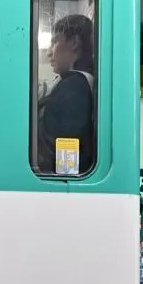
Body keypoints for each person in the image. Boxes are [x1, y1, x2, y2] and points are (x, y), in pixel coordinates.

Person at [35, 14, 96, 175]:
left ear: (74, 43)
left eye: (55, 42)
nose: (49, 53)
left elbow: (65, 140)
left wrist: (64, 174)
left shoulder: (75, 87)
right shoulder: (79, 83)